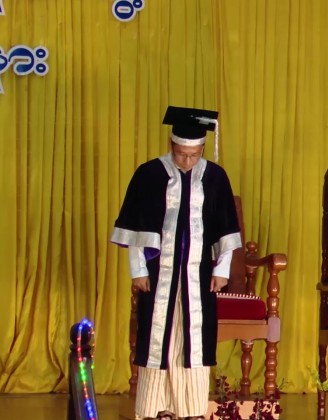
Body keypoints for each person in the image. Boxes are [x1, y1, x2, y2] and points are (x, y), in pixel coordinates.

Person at [111, 106, 241, 420]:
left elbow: (225, 227)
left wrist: (222, 271)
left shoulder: (214, 176)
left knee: (194, 342)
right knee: (158, 340)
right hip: (158, 273)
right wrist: (138, 269)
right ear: (171, 146)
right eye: (182, 154)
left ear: (202, 149)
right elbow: (135, 227)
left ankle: (192, 409)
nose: (187, 161)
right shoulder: (149, 173)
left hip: (199, 274)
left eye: (194, 155)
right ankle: (153, 408)